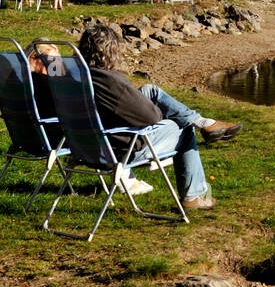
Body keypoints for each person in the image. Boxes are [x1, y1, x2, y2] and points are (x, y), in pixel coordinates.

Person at [77, 25, 241, 210]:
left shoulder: (75, 77)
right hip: (121, 149)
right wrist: (164, 113)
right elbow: (152, 117)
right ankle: (193, 196)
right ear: (112, 50)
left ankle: (203, 122)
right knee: (184, 127)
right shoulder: (110, 82)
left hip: (85, 146)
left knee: (150, 90)